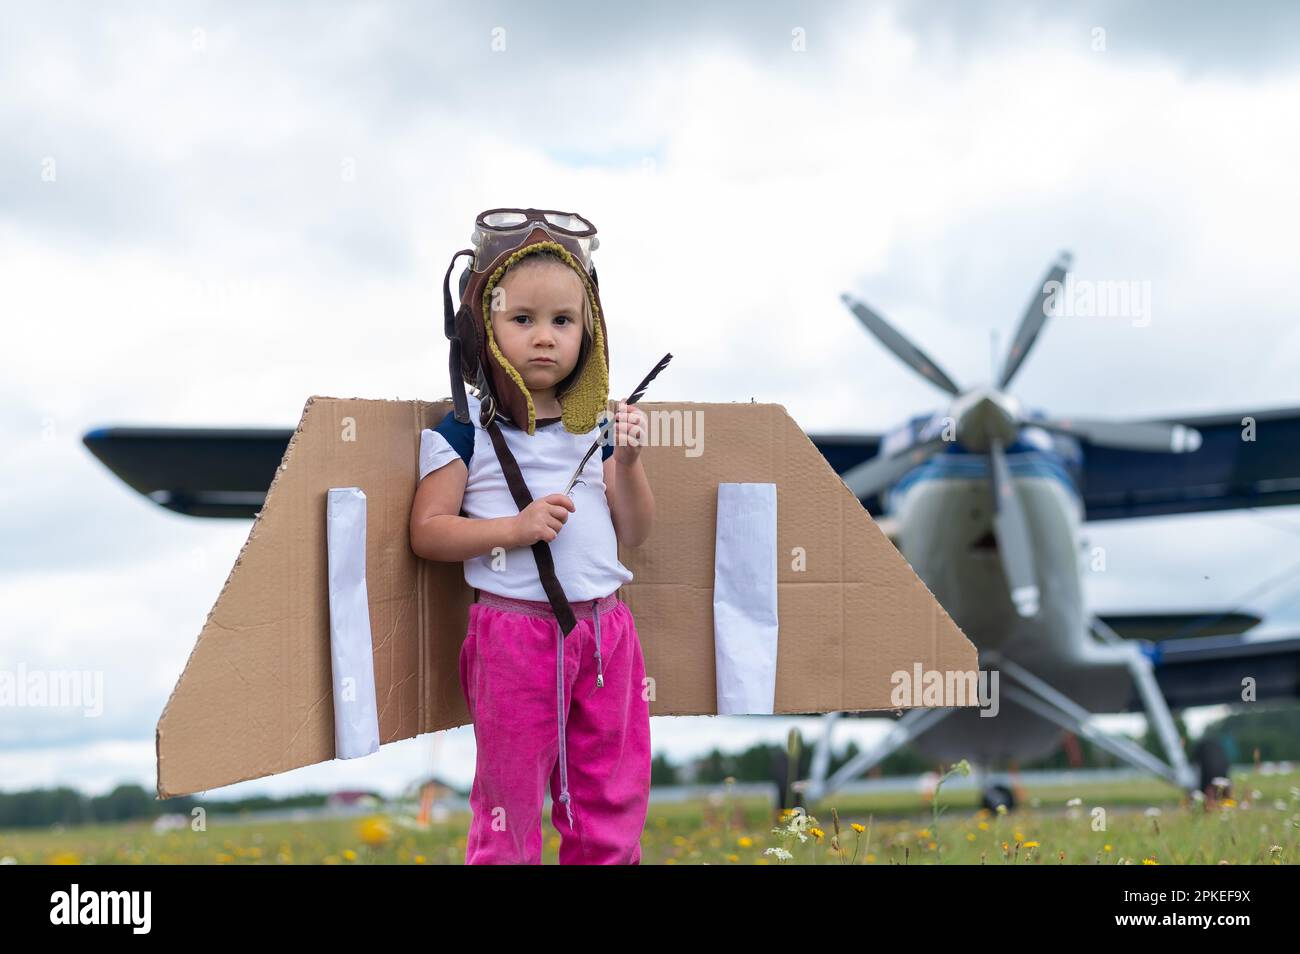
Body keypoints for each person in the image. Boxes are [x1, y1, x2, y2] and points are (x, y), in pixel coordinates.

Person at [409, 208, 655, 864]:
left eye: (562, 321)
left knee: (611, 792)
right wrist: (514, 529)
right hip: (514, 638)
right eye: (522, 320)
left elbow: (634, 529)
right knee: (509, 800)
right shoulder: (465, 432)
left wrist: (626, 464)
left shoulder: (598, 429)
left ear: (589, 333)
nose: (543, 338)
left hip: (607, 633)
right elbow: (428, 532)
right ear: (483, 331)